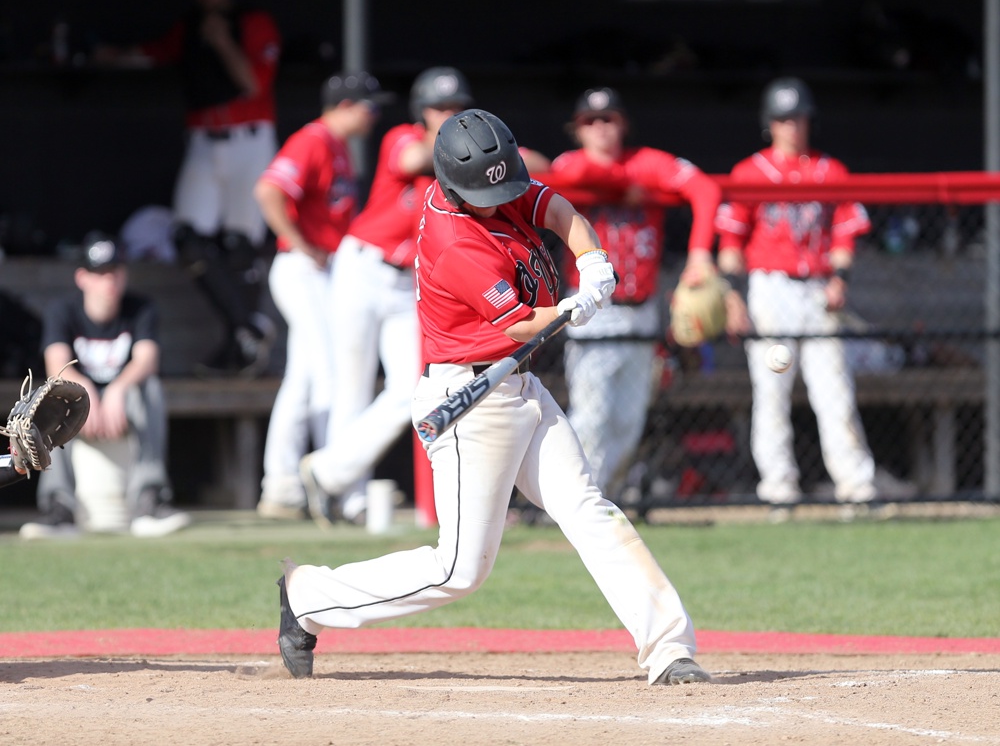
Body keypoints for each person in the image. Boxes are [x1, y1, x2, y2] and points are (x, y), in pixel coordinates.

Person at [276, 109, 712, 687]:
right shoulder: (455, 239)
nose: (499, 199)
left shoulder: (491, 179)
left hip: (521, 385)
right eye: (487, 192)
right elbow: (522, 324)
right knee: (457, 571)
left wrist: (592, 258)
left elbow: (555, 207)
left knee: (590, 509)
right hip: (471, 398)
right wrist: (574, 310)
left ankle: (669, 650)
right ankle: (309, 596)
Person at [714, 76, 914, 521]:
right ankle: (779, 492)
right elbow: (730, 242)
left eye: (799, 118)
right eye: (784, 119)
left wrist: (841, 278)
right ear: (770, 124)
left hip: (817, 289)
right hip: (770, 289)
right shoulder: (750, 172)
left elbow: (846, 232)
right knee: (771, 394)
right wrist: (734, 297)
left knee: (835, 393)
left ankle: (856, 488)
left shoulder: (830, 170)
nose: (792, 127)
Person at [297, 66, 473, 526]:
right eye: (439, 108)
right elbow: (413, 160)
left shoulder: (464, 161)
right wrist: (475, 149)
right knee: (350, 387)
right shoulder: (403, 135)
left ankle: (330, 473)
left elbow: (532, 162)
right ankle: (348, 501)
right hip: (362, 266)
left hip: (405, 282)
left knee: (411, 390)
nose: (447, 116)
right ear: (423, 111)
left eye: (456, 108)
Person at [544, 86, 723, 500]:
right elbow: (571, 173)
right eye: (590, 122)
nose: (601, 129)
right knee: (591, 416)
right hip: (593, 308)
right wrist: (626, 186)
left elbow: (706, 190)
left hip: (642, 307)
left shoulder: (646, 161)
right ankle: (570, 500)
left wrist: (698, 254)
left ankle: (600, 499)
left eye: (608, 119)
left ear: (622, 124)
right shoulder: (574, 162)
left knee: (628, 419)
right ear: (578, 129)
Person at [93, 0, 282, 377]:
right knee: (186, 237)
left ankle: (241, 341)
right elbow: (156, 53)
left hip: (248, 138)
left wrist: (223, 42)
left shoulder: (253, 22)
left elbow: (253, 84)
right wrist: (110, 55)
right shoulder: (189, 25)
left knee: (238, 242)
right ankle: (247, 326)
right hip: (202, 138)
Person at [252, 71, 394, 519]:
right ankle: (291, 482)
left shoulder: (338, 147)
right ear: (346, 105)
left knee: (306, 375)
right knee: (323, 374)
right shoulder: (313, 139)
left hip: (322, 270)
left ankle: (286, 485)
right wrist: (298, 242)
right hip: (302, 269)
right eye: (368, 107)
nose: (373, 116)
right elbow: (268, 191)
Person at [19, 232, 190, 539]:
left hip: (123, 402)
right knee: (48, 395)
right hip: (77, 402)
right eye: (99, 274)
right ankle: (60, 508)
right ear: (82, 278)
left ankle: (148, 501)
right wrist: (85, 393)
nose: (108, 281)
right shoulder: (63, 311)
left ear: (123, 275)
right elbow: (55, 364)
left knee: (149, 388)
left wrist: (116, 389)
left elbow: (146, 360)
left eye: (113, 272)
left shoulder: (140, 309)